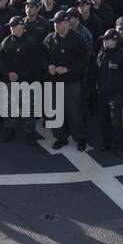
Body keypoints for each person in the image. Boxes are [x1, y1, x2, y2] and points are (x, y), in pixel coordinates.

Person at [42, 9, 89, 150]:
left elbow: (83, 60)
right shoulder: (49, 39)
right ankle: (60, 138)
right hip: (54, 81)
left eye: (59, 22)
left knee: (74, 111)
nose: (56, 25)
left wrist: (68, 68)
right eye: (55, 22)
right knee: (55, 112)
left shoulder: (77, 39)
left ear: (67, 23)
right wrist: (47, 66)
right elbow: (42, 57)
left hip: (72, 82)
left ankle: (80, 138)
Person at [95, 28, 123, 157]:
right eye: (104, 40)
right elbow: (97, 70)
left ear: (115, 41)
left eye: (107, 40)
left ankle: (118, 147)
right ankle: (106, 143)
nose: (105, 42)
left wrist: (122, 88)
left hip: (116, 93)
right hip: (102, 92)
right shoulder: (102, 52)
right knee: (103, 119)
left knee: (116, 120)